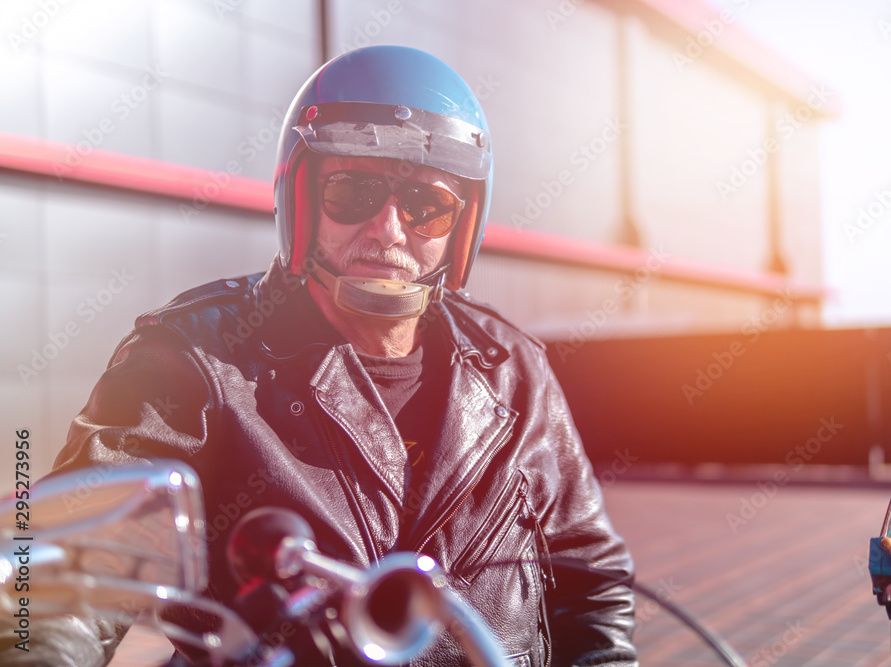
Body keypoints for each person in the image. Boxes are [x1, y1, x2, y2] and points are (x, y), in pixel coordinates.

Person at [19, 46, 637, 666]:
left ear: (463, 224)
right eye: (355, 192)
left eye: (428, 207)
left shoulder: (515, 367)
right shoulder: (195, 357)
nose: (391, 230)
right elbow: (73, 571)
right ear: (304, 197)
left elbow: (591, 581)